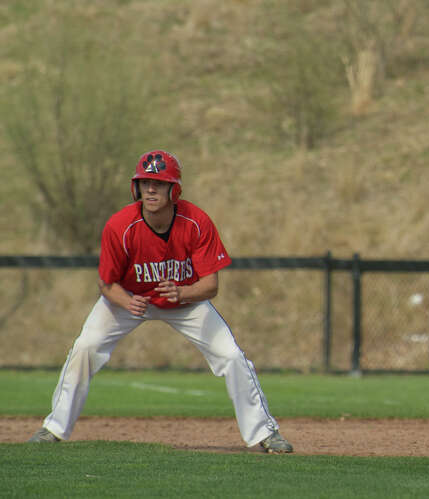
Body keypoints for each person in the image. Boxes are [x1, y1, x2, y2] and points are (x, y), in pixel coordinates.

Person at [28, 150, 293, 454]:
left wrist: (183, 293)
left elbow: (210, 286)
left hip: (184, 301)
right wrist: (126, 302)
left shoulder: (196, 222)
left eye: (159, 183)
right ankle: (53, 428)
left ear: (174, 190)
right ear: (136, 188)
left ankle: (265, 433)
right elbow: (106, 283)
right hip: (131, 298)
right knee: (85, 347)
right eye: (145, 183)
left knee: (231, 356)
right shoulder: (120, 226)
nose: (151, 190)